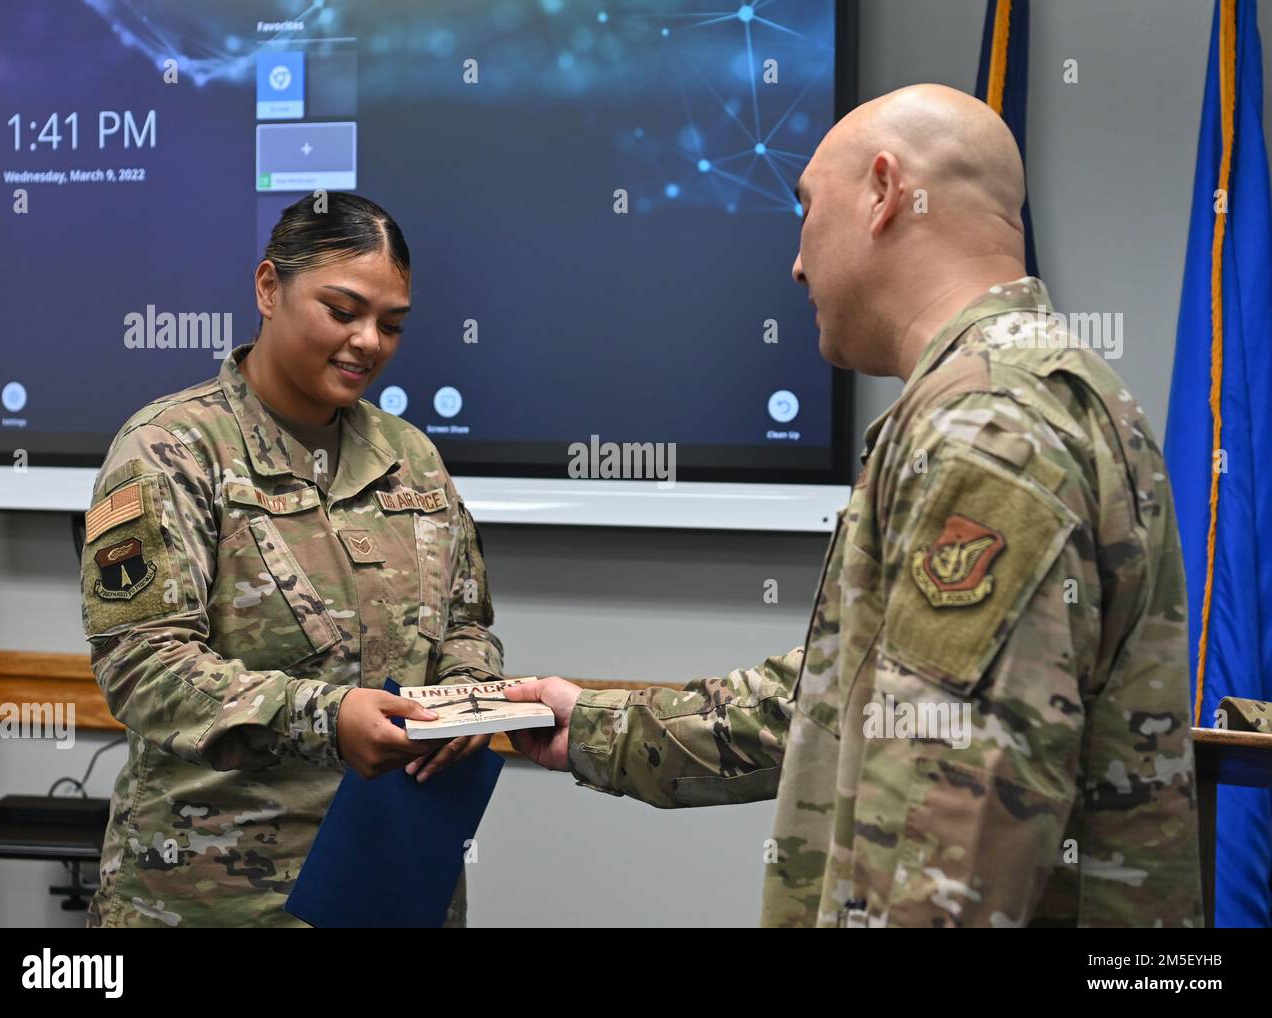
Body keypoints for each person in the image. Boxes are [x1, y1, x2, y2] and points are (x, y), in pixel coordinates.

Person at [507, 84, 1203, 928]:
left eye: (804, 207)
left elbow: (949, 830)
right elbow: (851, 696)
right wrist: (597, 726)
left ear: (882, 192)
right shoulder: (1024, 395)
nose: (796, 263)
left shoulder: (986, 428)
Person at [79, 192, 503, 927]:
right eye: (343, 312)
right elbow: (142, 667)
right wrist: (327, 719)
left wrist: (470, 695)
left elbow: (466, 622)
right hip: (215, 895)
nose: (369, 342)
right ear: (269, 288)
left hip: (393, 884)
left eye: (392, 325)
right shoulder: (170, 449)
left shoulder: (410, 457)